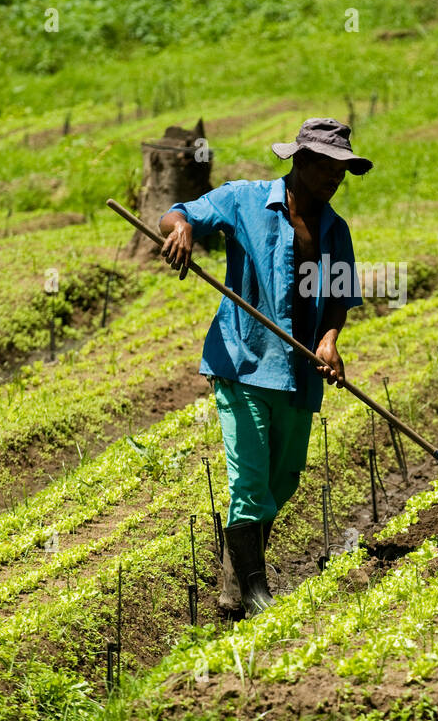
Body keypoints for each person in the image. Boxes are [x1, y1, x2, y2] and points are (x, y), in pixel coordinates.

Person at [159, 116, 372, 616]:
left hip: (298, 372)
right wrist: (183, 229)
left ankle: (234, 588)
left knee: (282, 482)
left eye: (342, 168)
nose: (335, 177)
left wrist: (329, 341)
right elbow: (177, 212)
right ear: (300, 160)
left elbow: (337, 299)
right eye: (326, 165)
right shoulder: (245, 200)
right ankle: (253, 596)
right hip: (244, 361)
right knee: (251, 483)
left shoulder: (335, 231)